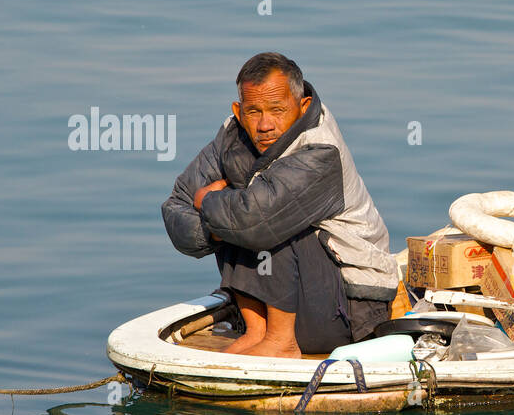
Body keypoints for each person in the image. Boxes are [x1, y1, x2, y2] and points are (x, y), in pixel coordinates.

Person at [162, 53, 397, 358]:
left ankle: (281, 340)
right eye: (253, 111)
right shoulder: (234, 134)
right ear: (239, 111)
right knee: (235, 214)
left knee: (260, 217)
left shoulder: (320, 149)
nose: (264, 125)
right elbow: (176, 205)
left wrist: (207, 200)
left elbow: (256, 221)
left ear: (302, 107)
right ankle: (257, 330)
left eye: (277, 110)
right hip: (297, 302)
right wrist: (219, 225)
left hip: (350, 310)